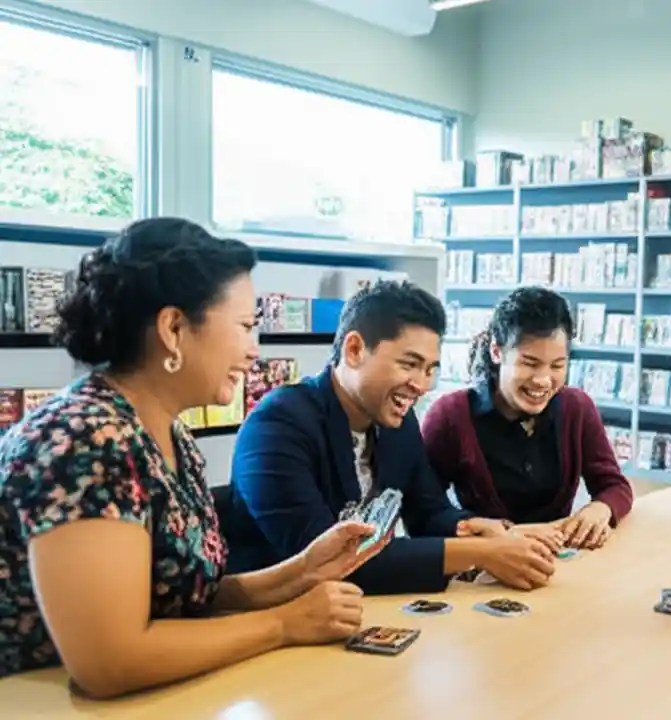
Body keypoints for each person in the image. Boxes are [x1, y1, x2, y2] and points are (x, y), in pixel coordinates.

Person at [0, 218, 389, 698]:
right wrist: (283, 625)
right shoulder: (84, 439)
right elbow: (108, 662)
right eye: (245, 327)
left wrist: (301, 571)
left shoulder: (166, 433)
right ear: (174, 327)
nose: (254, 351)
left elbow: (175, 599)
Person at [223, 280, 559, 593]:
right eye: (409, 364)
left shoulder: (398, 422)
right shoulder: (277, 424)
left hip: (357, 614)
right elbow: (328, 561)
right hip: (273, 624)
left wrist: (489, 531)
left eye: (430, 369)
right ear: (354, 350)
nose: (422, 384)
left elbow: (429, 512)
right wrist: (481, 553)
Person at [422, 286, 633, 549]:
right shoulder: (450, 416)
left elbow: (614, 485)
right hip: (484, 566)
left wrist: (601, 508)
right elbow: (425, 512)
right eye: (530, 363)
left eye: (557, 365)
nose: (544, 380)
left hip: (559, 564)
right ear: (497, 352)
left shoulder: (577, 408)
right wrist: (486, 531)